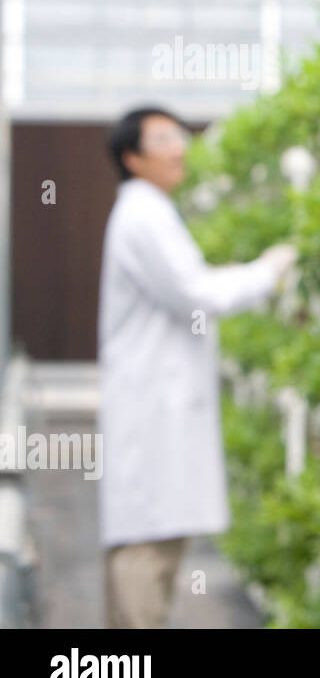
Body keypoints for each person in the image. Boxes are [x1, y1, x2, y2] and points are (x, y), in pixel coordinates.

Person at [98, 106, 298, 628]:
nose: (179, 147)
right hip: (152, 408)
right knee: (148, 548)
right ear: (133, 158)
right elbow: (194, 294)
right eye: (162, 138)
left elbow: (186, 284)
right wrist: (265, 272)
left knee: (155, 543)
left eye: (178, 135)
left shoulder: (148, 211)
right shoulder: (144, 215)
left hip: (155, 402)